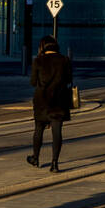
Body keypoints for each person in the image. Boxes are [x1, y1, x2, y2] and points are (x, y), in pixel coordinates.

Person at [28, 36, 72, 173]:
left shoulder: (38, 61)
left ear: (42, 46)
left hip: (42, 100)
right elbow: (69, 79)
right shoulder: (64, 60)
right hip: (59, 100)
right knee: (57, 132)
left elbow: (33, 82)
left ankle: (35, 158)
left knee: (38, 129)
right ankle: (54, 163)